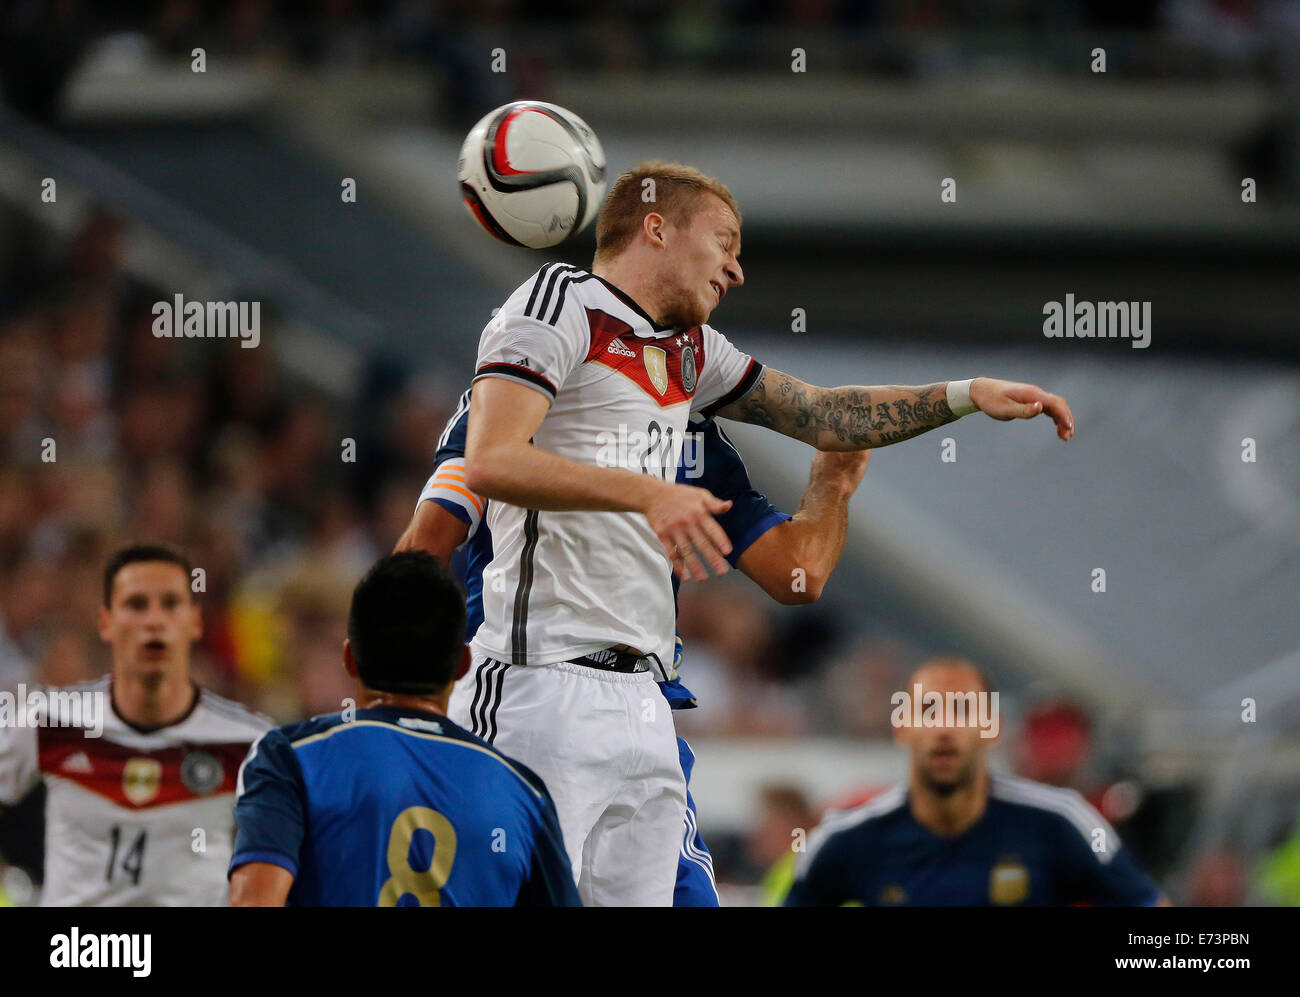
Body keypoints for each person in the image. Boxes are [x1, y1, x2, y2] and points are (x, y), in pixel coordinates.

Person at [461, 161, 1075, 905]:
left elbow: (826, 414)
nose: (738, 269)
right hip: (537, 680)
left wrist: (966, 395)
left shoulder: (692, 352)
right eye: (725, 242)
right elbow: (491, 460)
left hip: (647, 699)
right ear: (657, 227)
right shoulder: (556, 301)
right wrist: (651, 492)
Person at [397, 387, 871, 905]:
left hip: (643, 699)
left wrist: (833, 482)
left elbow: (796, 575)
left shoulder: (688, 429)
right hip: (523, 687)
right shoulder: (515, 390)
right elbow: (427, 541)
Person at [227, 551, 580, 907]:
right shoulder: (523, 794)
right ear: (462, 664)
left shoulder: (289, 757)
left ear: (350, 659)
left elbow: (255, 901)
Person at [0, 543, 270, 905]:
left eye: (170, 604)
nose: (153, 621)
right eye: (136, 605)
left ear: (194, 620)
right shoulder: (47, 723)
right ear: (106, 621)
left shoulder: (250, 743)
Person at [784, 657, 1168, 906]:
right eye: (929, 712)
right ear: (902, 727)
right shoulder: (846, 840)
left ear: (993, 728)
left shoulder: (1059, 823)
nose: (945, 730)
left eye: (964, 711)